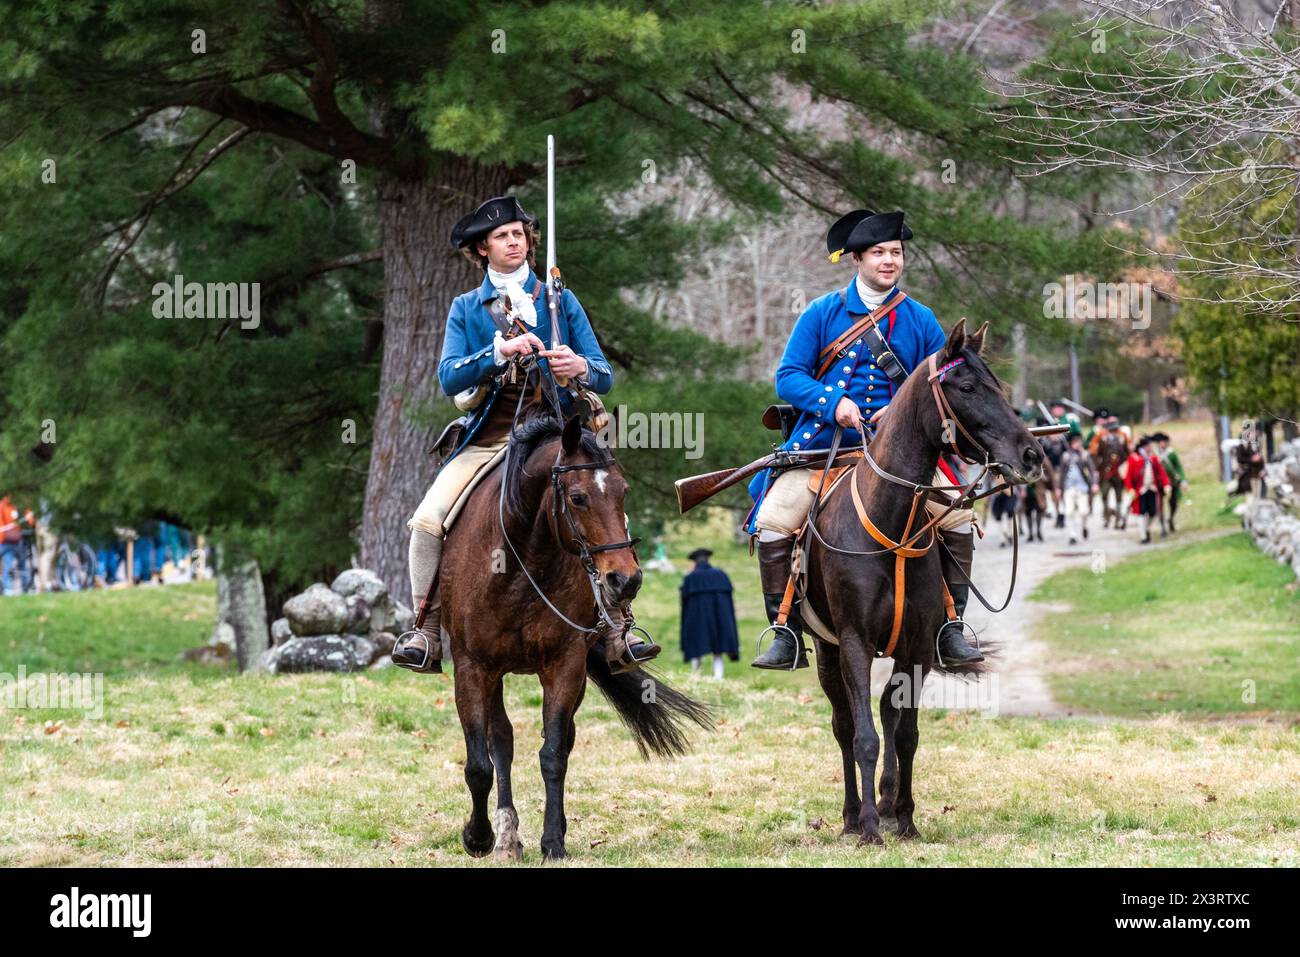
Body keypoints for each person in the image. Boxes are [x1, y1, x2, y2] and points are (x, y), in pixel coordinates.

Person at [391, 195, 656, 674]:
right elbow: (449, 376)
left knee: (606, 509)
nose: (513, 241)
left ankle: (618, 628)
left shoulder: (560, 299)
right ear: (482, 250)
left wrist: (579, 365)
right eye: (501, 236)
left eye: (519, 233)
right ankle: (426, 631)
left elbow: (603, 374)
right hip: (492, 440)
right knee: (427, 521)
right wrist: (498, 352)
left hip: (558, 438)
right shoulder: (467, 309)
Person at [742, 209, 986, 668]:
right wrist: (834, 405)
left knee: (957, 514)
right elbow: (788, 378)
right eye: (879, 253)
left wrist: (914, 414)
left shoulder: (920, 318)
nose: (890, 261)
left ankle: (951, 627)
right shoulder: (821, 313)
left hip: (901, 457)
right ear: (858, 259)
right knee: (774, 520)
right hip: (824, 449)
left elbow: (943, 382)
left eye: (896, 253)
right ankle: (785, 629)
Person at [678, 548, 739, 680]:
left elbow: (684, 604)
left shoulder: (690, 578)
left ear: (694, 562)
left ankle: (696, 675)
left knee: (696, 643)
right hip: (720, 619)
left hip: (697, 620)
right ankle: (718, 676)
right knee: (718, 647)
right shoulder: (721, 575)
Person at [1054, 434, 1099, 545]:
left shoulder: (1084, 455)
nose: (1078, 444)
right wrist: (1058, 488)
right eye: (1075, 442)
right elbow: (1061, 474)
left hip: (1082, 487)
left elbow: (1092, 470)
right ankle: (1072, 534)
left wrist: (1094, 483)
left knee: (1084, 511)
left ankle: (1084, 526)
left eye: (1079, 442)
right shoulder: (1065, 456)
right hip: (1069, 487)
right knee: (1069, 512)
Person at [1125, 436, 1171, 544]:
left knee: (1153, 512)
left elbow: (1161, 473)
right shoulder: (1134, 458)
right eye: (1148, 446)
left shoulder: (1153, 458)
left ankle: (1146, 528)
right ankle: (1143, 536)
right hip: (1140, 491)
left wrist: (1166, 485)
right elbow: (1128, 477)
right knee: (1141, 513)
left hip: (1152, 489)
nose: (1150, 448)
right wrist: (1130, 489)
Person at [1151, 432, 1187, 532]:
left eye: (1165, 442)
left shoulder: (1172, 453)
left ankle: (1170, 519)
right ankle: (1162, 526)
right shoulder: (1154, 455)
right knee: (1159, 505)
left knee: (1173, 503)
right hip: (1159, 483)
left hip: (1172, 482)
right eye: (1161, 442)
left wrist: (1183, 480)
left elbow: (1178, 467)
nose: (1163, 444)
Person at [0, 496, 34, 595]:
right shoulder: (2, 506)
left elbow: (28, 516)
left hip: (17, 539)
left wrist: (30, 519)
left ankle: (25, 586)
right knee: (8, 564)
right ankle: (7, 588)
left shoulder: (17, 506)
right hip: (5, 541)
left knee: (22, 564)